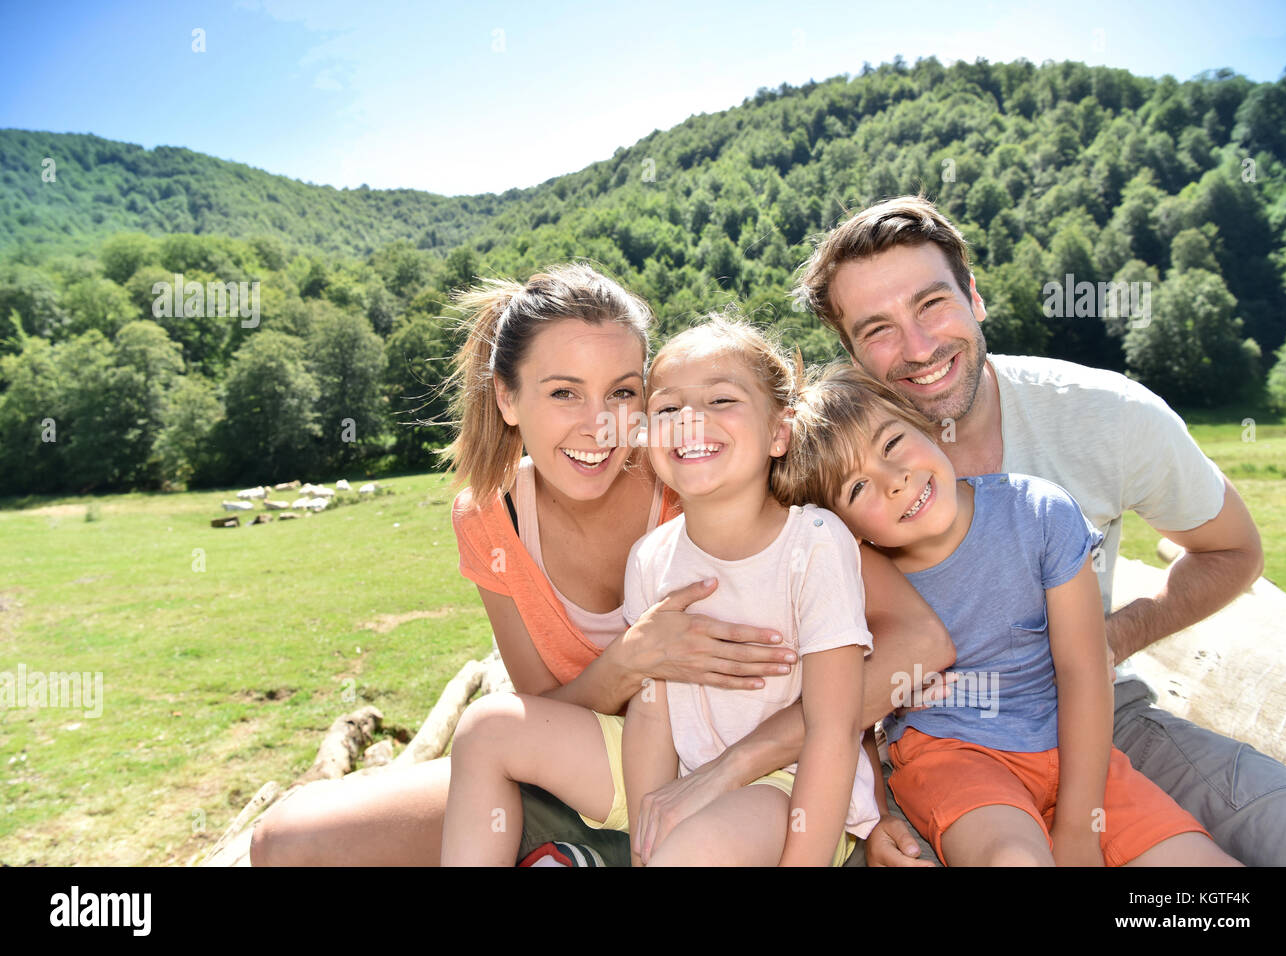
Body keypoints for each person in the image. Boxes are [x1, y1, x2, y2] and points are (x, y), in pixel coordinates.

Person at [249, 263, 951, 866]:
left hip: (759, 772)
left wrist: (742, 770)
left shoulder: (696, 477)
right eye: (563, 393)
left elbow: (912, 644)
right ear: (507, 397)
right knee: (284, 840)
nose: (600, 425)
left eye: (621, 392)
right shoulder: (491, 517)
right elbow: (541, 709)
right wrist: (632, 660)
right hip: (609, 763)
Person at [788, 194, 1286, 866]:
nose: (917, 347)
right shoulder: (839, 506)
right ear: (854, 358)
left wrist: (1107, 636)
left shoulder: (1104, 416)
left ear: (975, 297)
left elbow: (1235, 551)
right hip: (937, 749)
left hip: (1104, 718)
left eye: (933, 303)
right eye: (878, 329)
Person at [443, 314, 879, 866]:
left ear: (778, 431)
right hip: (678, 770)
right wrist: (650, 826)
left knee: (694, 850)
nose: (691, 420)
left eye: (721, 401)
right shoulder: (652, 556)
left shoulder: (815, 543)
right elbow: (652, 709)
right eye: (668, 408)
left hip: (786, 786)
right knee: (485, 728)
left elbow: (833, 730)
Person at [782, 362, 1239, 865]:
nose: (894, 481)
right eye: (856, 488)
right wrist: (876, 812)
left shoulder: (1041, 513)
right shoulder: (857, 575)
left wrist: (1078, 829)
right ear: (846, 526)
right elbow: (852, 710)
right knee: (1015, 860)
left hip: (1075, 750)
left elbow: (1083, 671)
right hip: (953, 756)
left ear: (922, 422)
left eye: (892, 444)